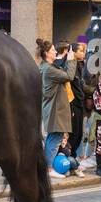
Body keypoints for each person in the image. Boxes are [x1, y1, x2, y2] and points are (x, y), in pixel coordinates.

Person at [38, 38, 73, 178]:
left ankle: (48, 168)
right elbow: (69, 76)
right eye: (52, 50)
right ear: (46, 53)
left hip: (53, 108)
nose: (55, 52)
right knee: (54, 138)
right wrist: (71, 60)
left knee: (53, 138)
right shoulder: (49, 70)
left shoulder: (46, 67)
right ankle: (49, 168)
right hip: (54, 109)